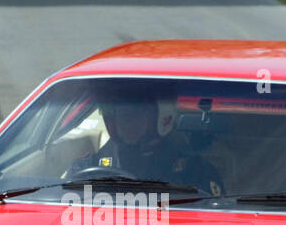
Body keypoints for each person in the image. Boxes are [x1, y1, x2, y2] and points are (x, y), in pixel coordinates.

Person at [68, 83, 223, 195]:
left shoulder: (195, 172)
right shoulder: (85, 168)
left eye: (137, 112)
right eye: (120, 113)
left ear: (162, 117)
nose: (127, 121)